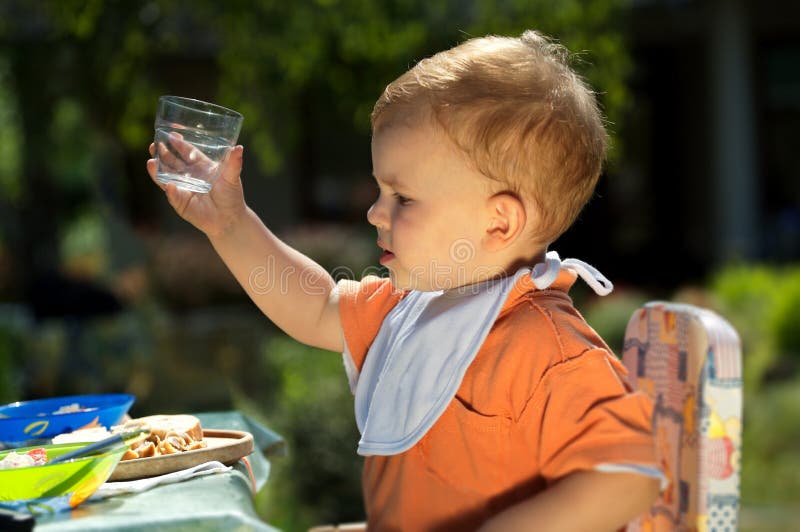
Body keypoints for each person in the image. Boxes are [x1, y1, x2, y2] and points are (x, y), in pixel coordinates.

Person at [147, 30, 662, 531]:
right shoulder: (410, 307)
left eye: (403, 198)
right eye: (379, 190)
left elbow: (628, 479)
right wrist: (230, 222)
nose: (375, 212)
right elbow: (318, 305)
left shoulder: (549, 353)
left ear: (499, 222)